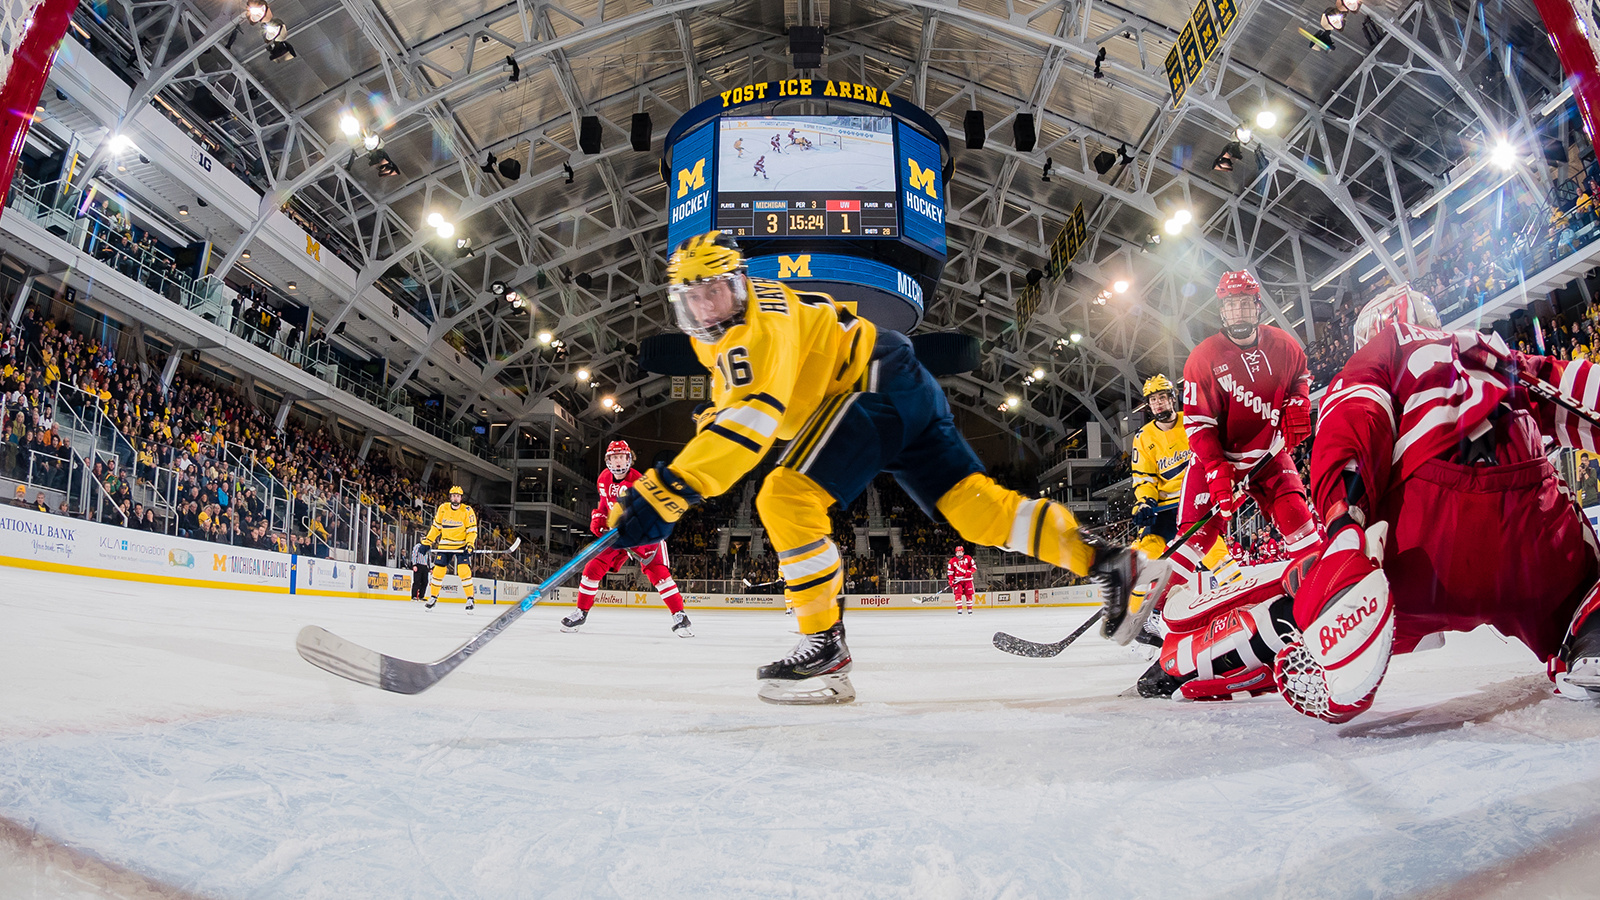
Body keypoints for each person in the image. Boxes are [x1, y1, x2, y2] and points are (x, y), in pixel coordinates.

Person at [605, 231, 1150, 704]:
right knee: (977, 512)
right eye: (695, 298)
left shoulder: (756, 327)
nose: (708, 307)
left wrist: (667, 491)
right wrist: (669, 483)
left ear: (739, 283)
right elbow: (728, 413)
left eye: (716, 291)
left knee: (784, 497)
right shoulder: (720, 340)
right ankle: (1108, 562)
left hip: (868, 385)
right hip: (898, 380)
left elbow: (751, 420)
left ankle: (824, 643)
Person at [1275, 284, 1600, 721]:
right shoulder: (1488, 348)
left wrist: (1342, 525)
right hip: (1534, 536)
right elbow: (1577, 390)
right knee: (1583, 583)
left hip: (1429, 547)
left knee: (1352, 597)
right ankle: (1591, 639)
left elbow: (1352, 425)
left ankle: (1315, 646)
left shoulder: (1380, 352)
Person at [1132, 271, 1320, 649]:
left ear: (1257, 305)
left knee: (1300, 524)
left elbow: (1300, 376)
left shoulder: (1284, 346)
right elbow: (1200, 430)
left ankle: (1323, 601)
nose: (1237, 310)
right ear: (1222, 310)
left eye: (1244, 302)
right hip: (1218, 463)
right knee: (1193, 544)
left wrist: (1299, 399)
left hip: (1268, 455)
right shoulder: (1203, 359)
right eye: (1230, 304)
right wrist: (1218, 469)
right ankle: (1155, 619)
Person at [1127, 374, 1236, 649]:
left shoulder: (1192, 421)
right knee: (1145, 556)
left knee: (1215, 553)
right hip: (1163, 509)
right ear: (1148, 406)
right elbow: (1144, 478)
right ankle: (1147, 618)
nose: (1159, 404)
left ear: (1172, 398)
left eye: (1162, 397)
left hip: (1194, 499)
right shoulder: (1143, 437)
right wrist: (1144, 502)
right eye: (1153, 400)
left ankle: (1239, 602)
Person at [560, 440, 692, 637]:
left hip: (643, 536)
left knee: (659, 575)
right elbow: (605, 504)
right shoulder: (604, 478)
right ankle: (581, 612)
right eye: (614, 457)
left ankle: (680, 616)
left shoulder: (639, 482)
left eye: (622, 456)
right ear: (608, 460)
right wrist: (598, 517)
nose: (618, 461)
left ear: (629, 458)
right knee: (592, 568)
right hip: (617, 534)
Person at [421, 485, 478, 612]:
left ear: (461, 498)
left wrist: (470, 544)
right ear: (450, 497)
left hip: (461, 545)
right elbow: (436, 527)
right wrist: (427, 542)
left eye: (458, 496)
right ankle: (433, 597)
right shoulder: (443, 508)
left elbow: (472, 530)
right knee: (437, 572)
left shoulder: (467, 510)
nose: (455, 498)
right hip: (445, 544)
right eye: (453, 496)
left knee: (464, 571)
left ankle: (470, 598)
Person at [946, 545, 975, 614]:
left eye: (960, 552)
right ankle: (959, 610)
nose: (959, 553)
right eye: (958, 552)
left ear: (963, 552)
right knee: (958, 594)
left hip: (967, 580)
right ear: (956, 553)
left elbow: (974, 567)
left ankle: (969, 610)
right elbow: (950, 572)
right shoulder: (952, 561)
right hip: (958, 581)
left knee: (969, 594)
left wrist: (969, 572)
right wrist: (951, 580)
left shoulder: (968, 558)